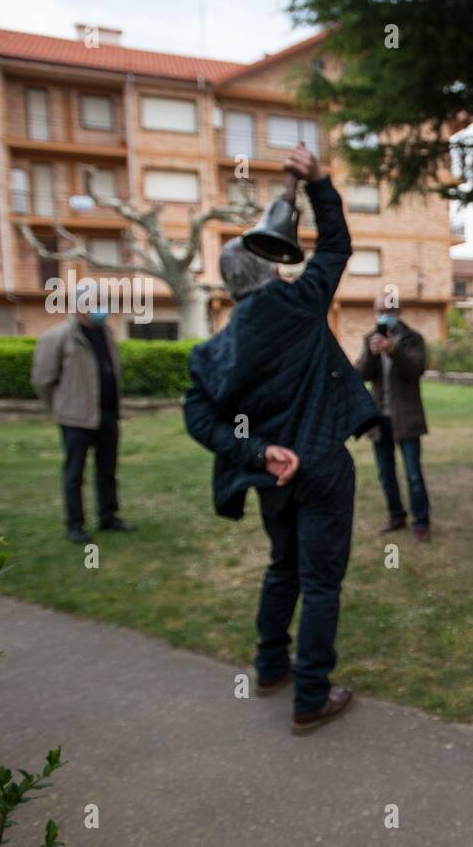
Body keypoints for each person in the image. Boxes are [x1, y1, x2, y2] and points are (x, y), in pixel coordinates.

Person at [184, 143, 379, 735]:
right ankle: (311, 698)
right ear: (271, 266)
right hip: (321, 466)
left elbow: (200, 418)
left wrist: (255, 451)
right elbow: (338, 247)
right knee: (320, 582)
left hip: (273, 474)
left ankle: (271, 667)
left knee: (282, 569)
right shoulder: (299, 303)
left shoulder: (216, 349)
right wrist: (319, 183)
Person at [31, 293, 132, 543]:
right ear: (78, 307)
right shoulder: (58, 336)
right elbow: (42, 379)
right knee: (74, 473)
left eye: (102, 302)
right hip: (76, 418)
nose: (101, 308)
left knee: (107, 470)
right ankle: (75, 524)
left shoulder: (106, 333)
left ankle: (108, 516)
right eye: (94, 303)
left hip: (107, 415)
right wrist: (60, 408)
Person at [356, 296, 431, 541]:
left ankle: (421, 521)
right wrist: (372, 353)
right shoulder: (370, 339)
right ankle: (396, 514)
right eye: (380, 310)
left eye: (389, 310)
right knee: (386, 473)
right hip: (380, 419)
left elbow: (415, 371)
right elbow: (363, 375)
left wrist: (394, 350)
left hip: (406, 418)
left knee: (413, 474)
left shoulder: (413, 338)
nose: (385, 314)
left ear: (398, 311)